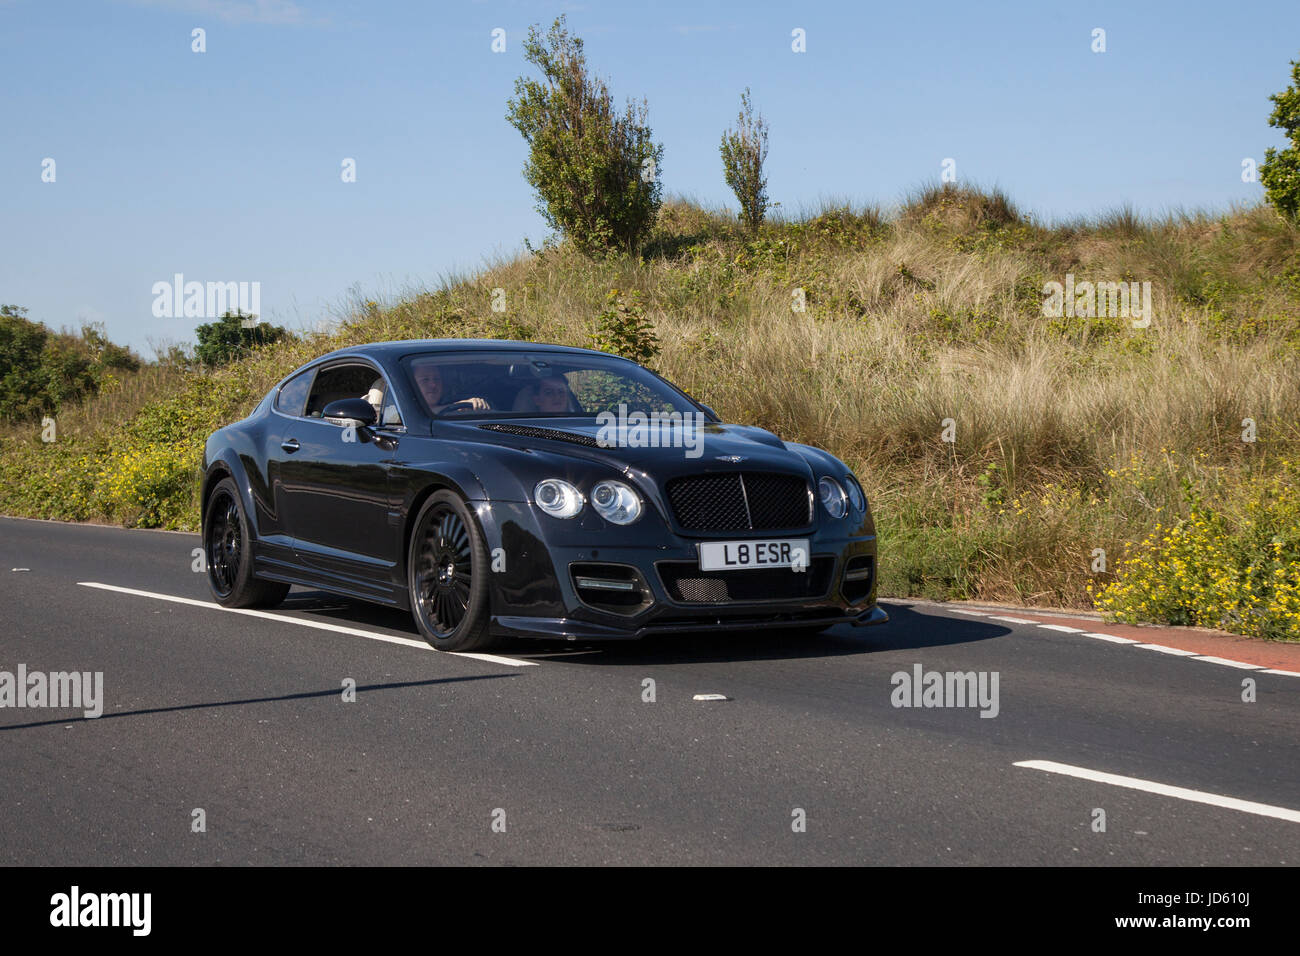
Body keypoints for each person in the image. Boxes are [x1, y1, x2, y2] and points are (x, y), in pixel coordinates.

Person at [411, 361, 490, 413]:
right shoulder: (403, 414)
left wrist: (477, 404)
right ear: (412, 384)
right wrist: (457, 406)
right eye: (425, 380)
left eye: (437, 379)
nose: (433, 385)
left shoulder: (454, 409)